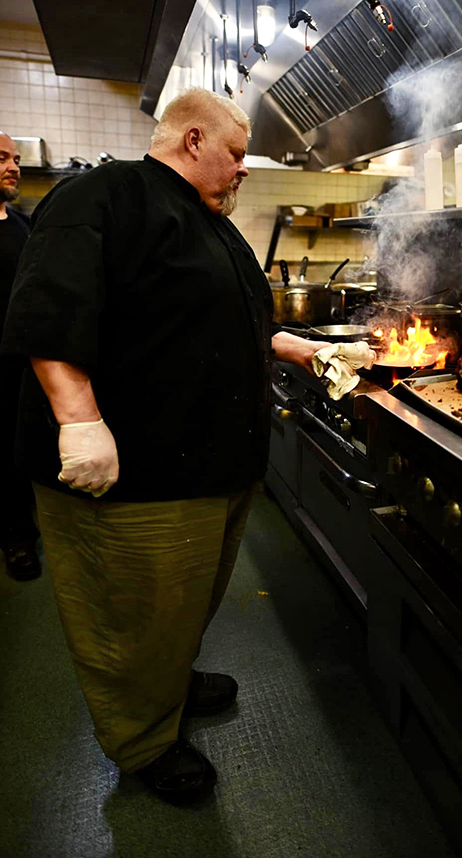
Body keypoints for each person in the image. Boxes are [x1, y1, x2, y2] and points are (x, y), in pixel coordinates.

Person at [1, 89, 329, 804]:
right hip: (136, 473)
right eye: (236, 154)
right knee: (134, 612)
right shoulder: (103, 195)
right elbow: (48, 311)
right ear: (192, 140)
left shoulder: (211, 223)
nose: (243, 169)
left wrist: (291, 346)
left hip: (209, 465)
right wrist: (80, 420)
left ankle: (167, 681)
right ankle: (143, 739)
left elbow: (211, 318)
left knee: (181, 603)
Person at [0, 131, 41, 581]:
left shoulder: (23, 226)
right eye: (1, 158)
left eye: (14, 159)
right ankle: (15, 535)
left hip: (19, 365)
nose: (13, 167)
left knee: (15, 453)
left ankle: (20, 533)